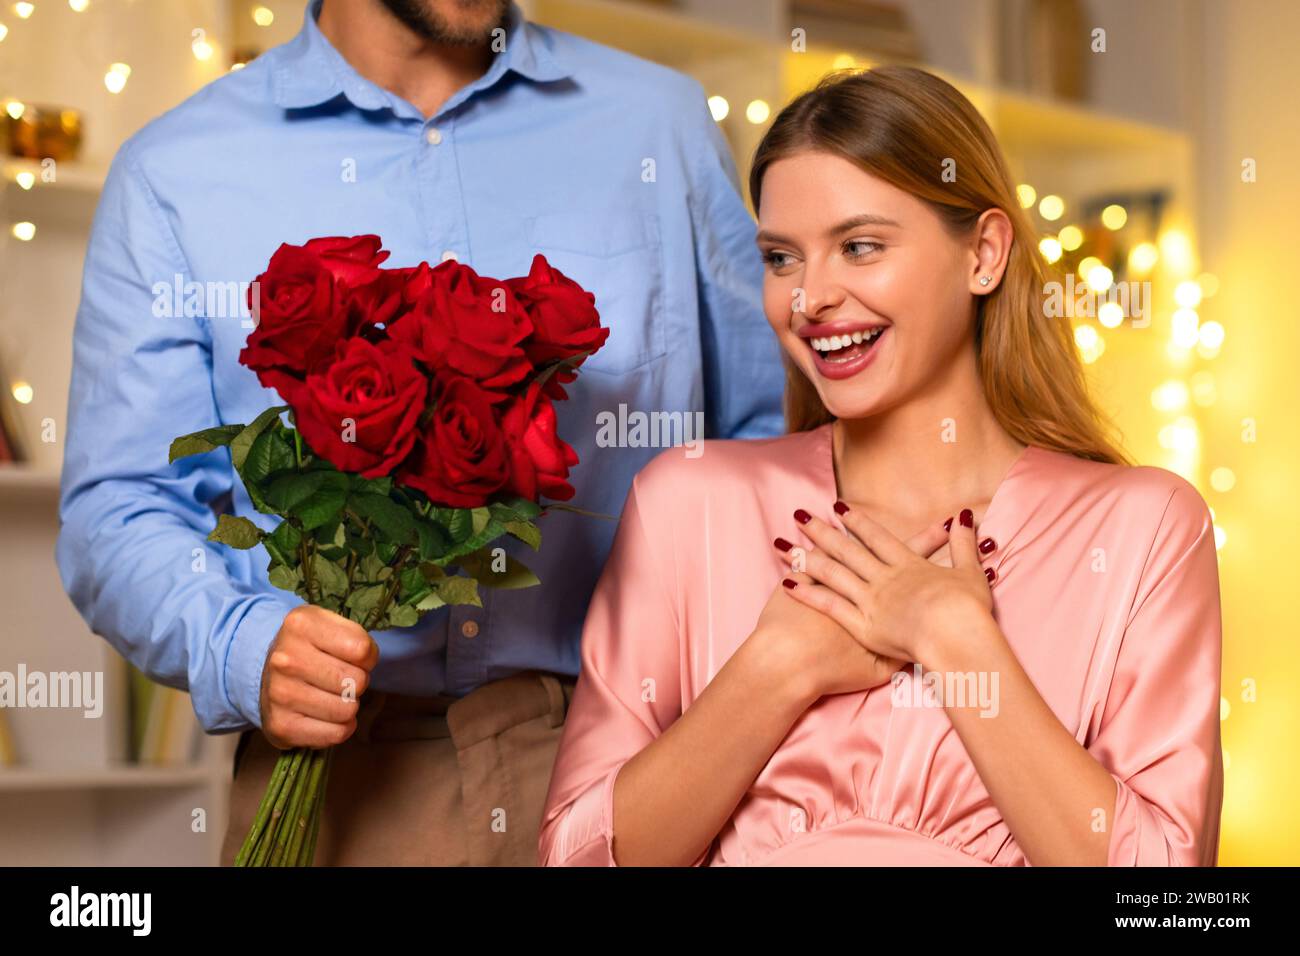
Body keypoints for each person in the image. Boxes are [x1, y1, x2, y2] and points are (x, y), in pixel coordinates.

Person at [55, 0, 782, 866]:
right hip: (337, 788)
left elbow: (767, 441)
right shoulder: (175, 172)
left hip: (640, 767)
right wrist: (243, 647)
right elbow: (119, 507)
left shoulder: (660, 124)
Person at [538, 66, 1224, 867]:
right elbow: (577, 859)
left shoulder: (1143, 527)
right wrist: (775, 669)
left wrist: (956, 639)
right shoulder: (688, 501)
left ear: (985, 255)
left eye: (859, 247)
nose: (809, 298)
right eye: (782, 258)